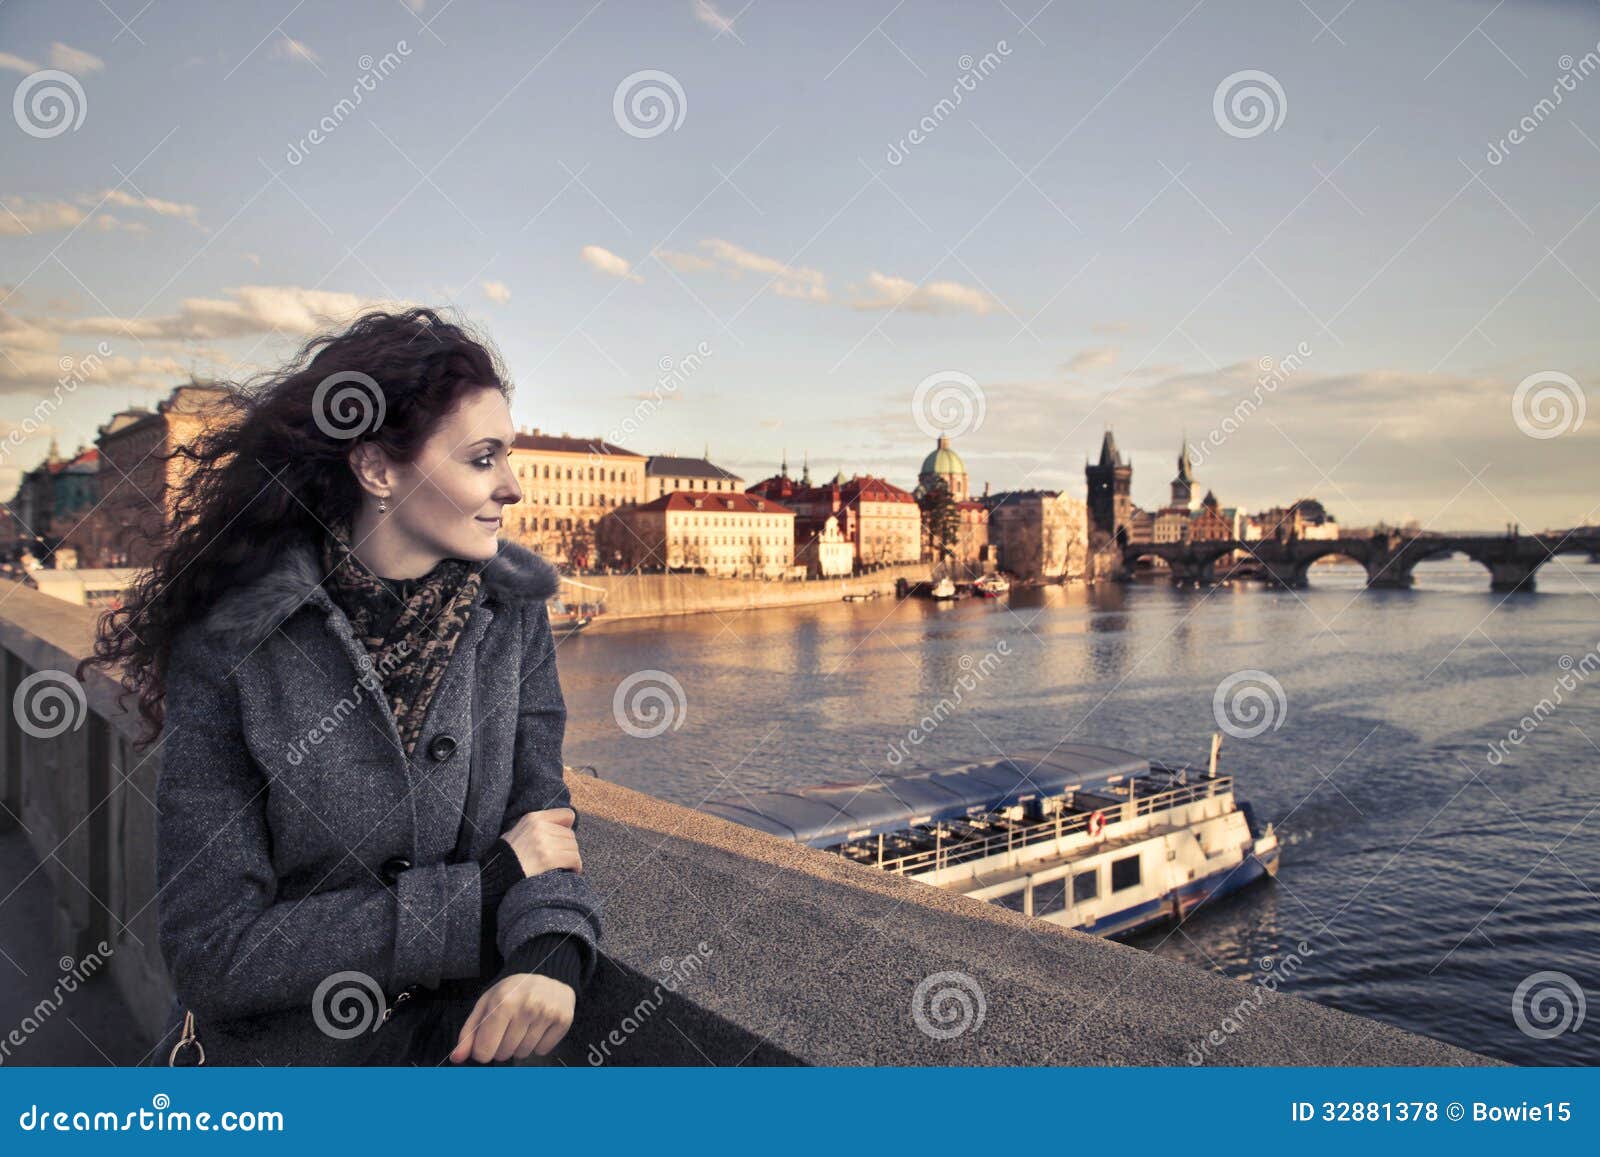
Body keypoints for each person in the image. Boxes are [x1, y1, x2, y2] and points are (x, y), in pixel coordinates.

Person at [79, 307, 602, 1066]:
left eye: (510, 455)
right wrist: (477, 890)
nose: (514, 487)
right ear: (378, 468)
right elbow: (214, 952)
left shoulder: (512, 613)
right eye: (483, 458)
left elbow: (545, 825)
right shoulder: (235, 643)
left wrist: (553, 951)